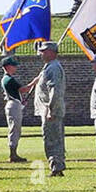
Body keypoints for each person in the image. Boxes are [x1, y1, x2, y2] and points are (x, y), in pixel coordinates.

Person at [26, 40, 66, 176]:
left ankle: (56, 167)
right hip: (49, 109)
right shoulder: (49, 67)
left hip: (50, 110)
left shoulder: (53, 68)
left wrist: (51, 109)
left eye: (43, 51)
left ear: (51, 52)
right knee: (53, 138)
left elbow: (54, 90)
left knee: (52, 139)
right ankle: (57, 166)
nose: (41, 54)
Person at [0, 56, 27, 162]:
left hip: (14, 104)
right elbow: (23, 89)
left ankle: (14, 153)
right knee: (14, 129)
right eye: (13, 65)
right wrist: (35, 81)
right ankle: (13, 154)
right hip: (13, 106)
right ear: (7, 67)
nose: (15, 67)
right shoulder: (9, 79)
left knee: (16, 129)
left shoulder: (7, 79)